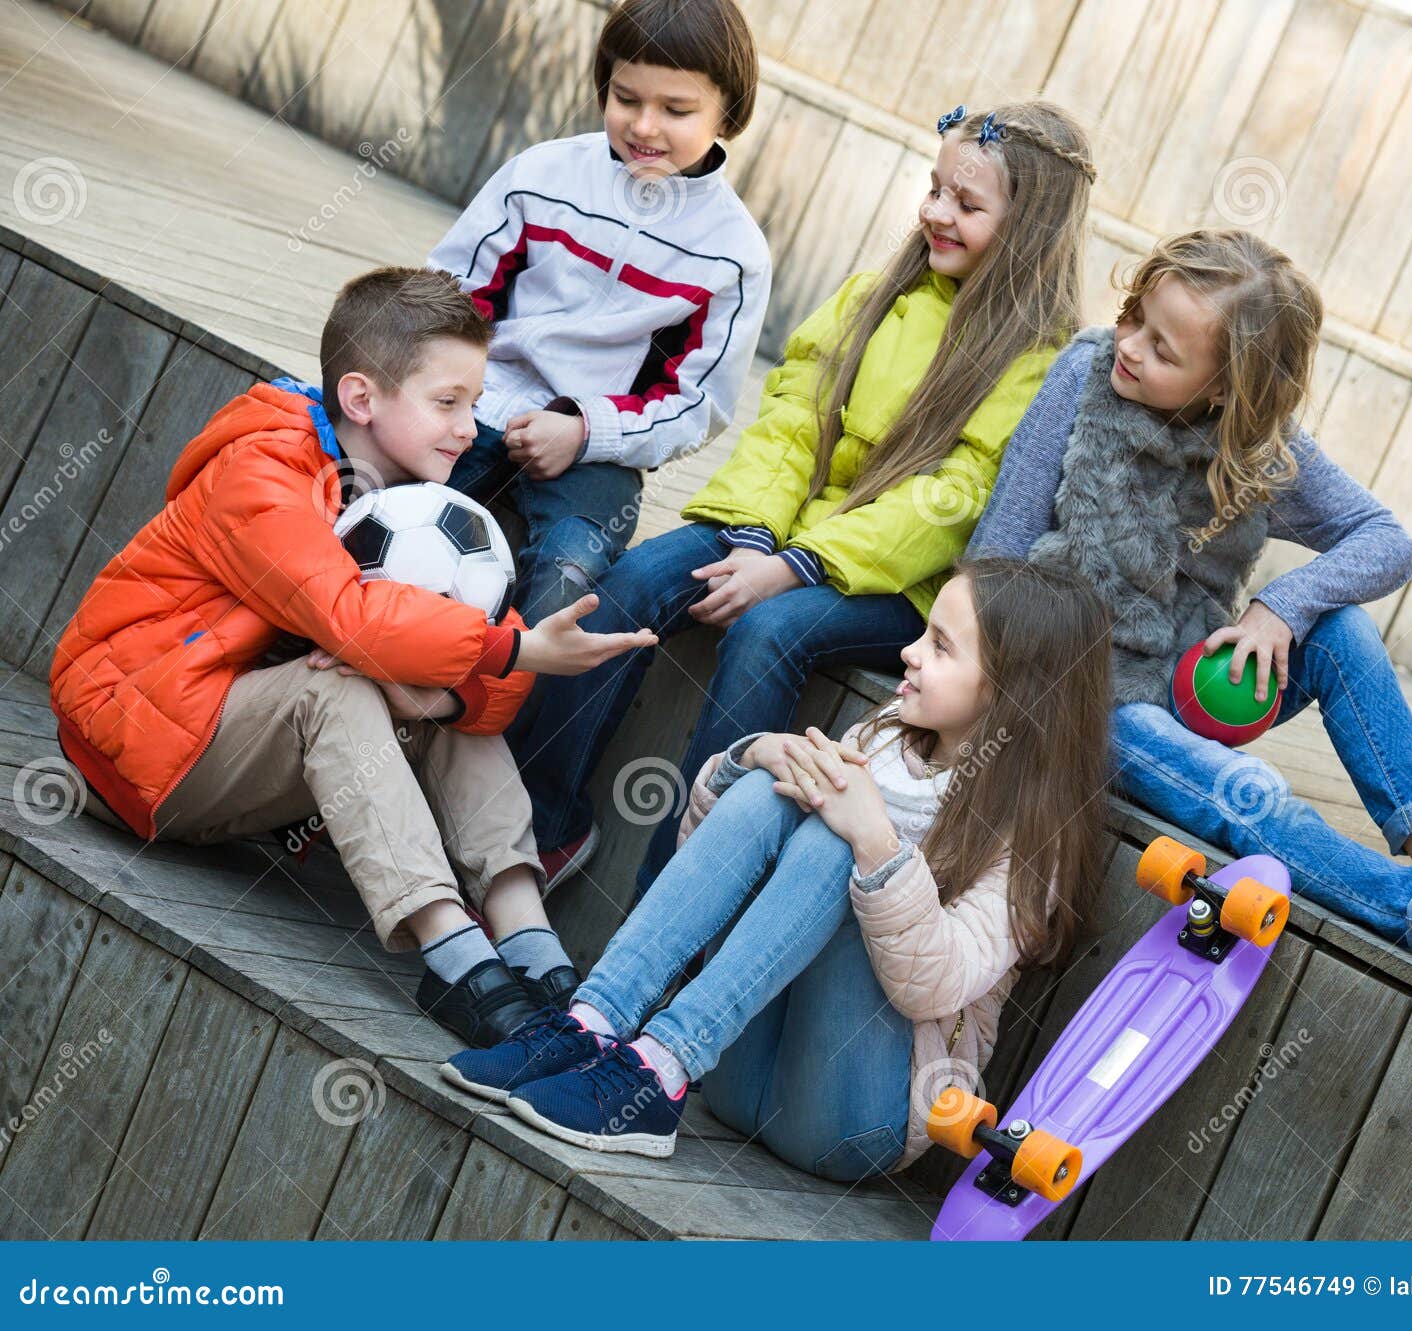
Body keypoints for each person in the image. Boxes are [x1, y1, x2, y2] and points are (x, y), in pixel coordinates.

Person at [49, 267, 655, 1047]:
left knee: (425, 684)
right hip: (134, 748)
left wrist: (439, 698)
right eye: (448, 403)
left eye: (474, 402)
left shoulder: (417, 514)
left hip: (230, 748)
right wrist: (516, 647)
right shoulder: (260, 472)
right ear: (363, 400)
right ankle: (453, 955)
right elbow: (352, 618)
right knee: (333, 688)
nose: (474, 429)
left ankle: (532, 945)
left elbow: (487, 694)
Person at [520, 99, 1098, 897]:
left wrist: (798, 566)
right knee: (638, 580)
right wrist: (758, 538)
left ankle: (675, 888)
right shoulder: (874, 293)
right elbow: (793, 417)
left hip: (894, 580)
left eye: (967, 205)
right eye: (934, 189)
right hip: (779, 533)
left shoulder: (1037, 358)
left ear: (1030, 228)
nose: (935, 213)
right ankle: (541, 828)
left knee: (769, 630)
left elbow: (956, 496)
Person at [970, 228, 1412, 990]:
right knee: (1245, 792)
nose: (1131, 346)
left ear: (1225, 390)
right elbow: (995, 558)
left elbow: (1386, 540)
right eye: (1135, 318)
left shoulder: (1259, 450)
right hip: (1077, 697)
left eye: (1165, 349)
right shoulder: (1084, 375)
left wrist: (1279, 607)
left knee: (1340, 630)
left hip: (1183, 680)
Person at [441, 559, 1111, 1175]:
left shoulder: (1033, 838)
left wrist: (878, 845)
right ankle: (595, 1026)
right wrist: (750, 758)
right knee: (776, 787)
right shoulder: (883, 736)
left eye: (940, 645)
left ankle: (661, 1067)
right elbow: (707, 870)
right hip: (734, 1073)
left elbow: (936, 989)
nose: (909, 652)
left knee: (836, 839)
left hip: (851, 1115)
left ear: (1009, 694)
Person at [428, 0, 769, 630]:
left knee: (570, 576)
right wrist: (452, 398)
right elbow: (451, 294)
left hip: (599, 453)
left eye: (677, 110)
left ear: (729, 109)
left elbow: (699, 406)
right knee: (381, 499)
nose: (645, 126)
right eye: (626, 98)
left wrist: (588, 431)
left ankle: (497, 717)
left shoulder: (734, 255)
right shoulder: (542, 174)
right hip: (474, 405)